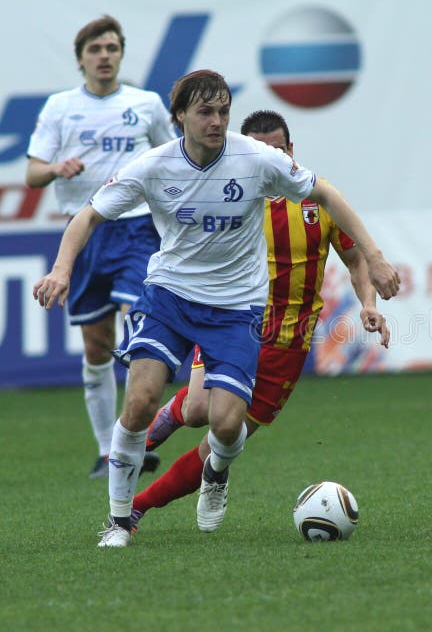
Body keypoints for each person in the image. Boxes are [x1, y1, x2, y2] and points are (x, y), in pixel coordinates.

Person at [33, 70, 400, 548]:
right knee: (140, 401)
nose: (217, 120)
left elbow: (326, 194)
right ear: (180, 116)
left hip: (236, 308)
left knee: (226, 426)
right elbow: (89, 214)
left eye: (224, 110)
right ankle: (120, 520)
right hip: (169, 296)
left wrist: (374, 257)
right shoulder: (154, 165)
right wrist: (62, 269)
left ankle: (217, 472)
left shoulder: (256, 159)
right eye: (206, 111)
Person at [129, 110, 390, 532]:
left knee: (223, 438)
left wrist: (368, 303)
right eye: (261, 149)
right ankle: (139, 445)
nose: (271, 158)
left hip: (287, 343)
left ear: (291, 151)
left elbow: (355, 259)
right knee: (197, 408)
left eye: (279, 149)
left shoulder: (318, 200)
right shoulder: (231, 196)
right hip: (230, 323)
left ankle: (137, 508)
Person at [26, 15, 175, 478]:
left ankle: (133, 438)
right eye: (95, 49)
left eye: (112, 47)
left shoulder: (146, 104)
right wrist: (56, 169)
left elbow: (172, 159)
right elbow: (32, 171)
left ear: (121, 54)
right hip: (84, 231)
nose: (104, 55)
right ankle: (106, 450)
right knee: (96, 347)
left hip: (135, 228)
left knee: (138, 330)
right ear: (81, 59)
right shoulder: (60, 108)